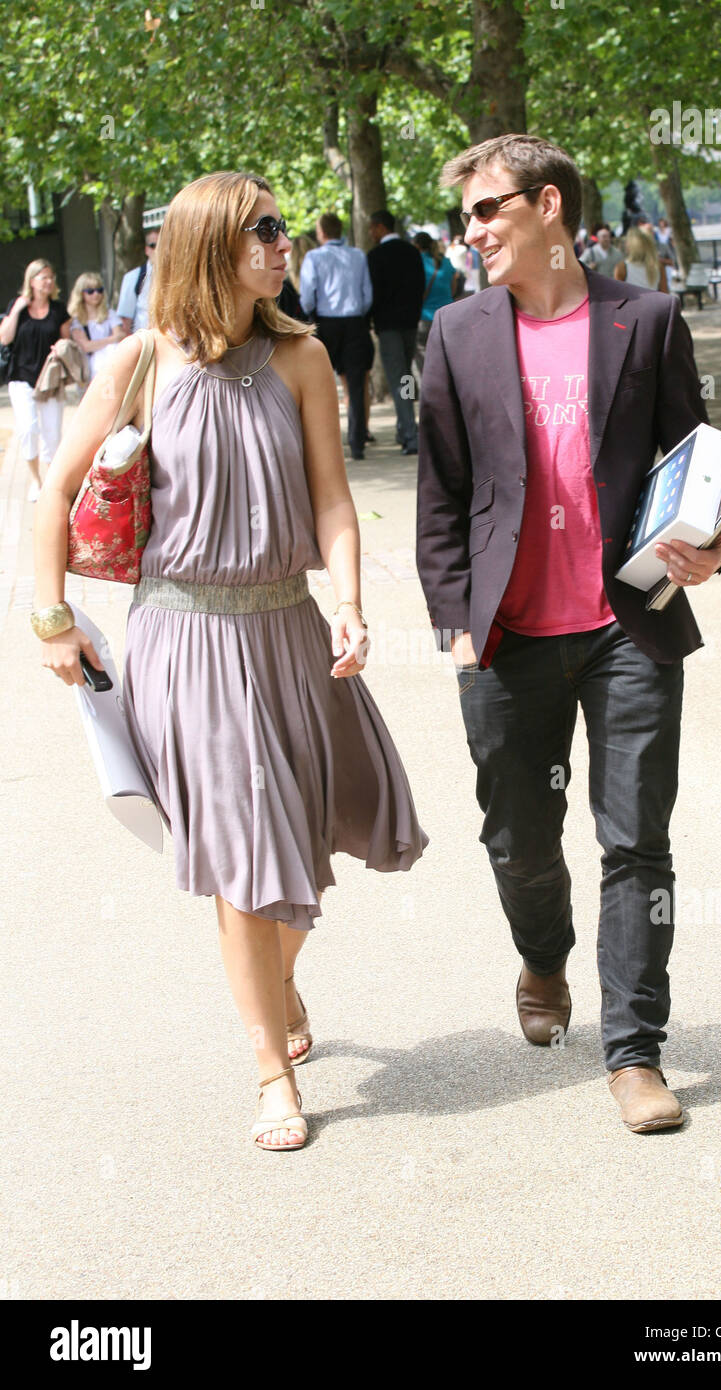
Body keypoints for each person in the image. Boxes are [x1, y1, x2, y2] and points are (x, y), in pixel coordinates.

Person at [32, 171, 427, 1153]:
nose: (283, 241)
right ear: (214, 245)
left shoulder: (300, 359)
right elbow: (53, 497)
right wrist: (50, 617)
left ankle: (277, 980)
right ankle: (270, 1072)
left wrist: (351, 603)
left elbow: (333, 499)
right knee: (244, 864)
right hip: (183, 639)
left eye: (283, 225)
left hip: (288, 629)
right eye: (264, 229)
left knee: (305, 839)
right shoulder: (133, 364)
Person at [417, 133, 721, 1135]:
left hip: (626, 625)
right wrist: (453, 626)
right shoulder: (457, 333)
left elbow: (696, 459)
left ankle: (635, 1052)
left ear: (547, 206)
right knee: (519, 840)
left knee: (637, 842)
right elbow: (443, 498)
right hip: (506, 636)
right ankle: (545, 957)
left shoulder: (643, 319)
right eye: (465, 217)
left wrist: (712, 547)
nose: (471, 234)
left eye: (486, 211)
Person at [299, 212, 373, 460]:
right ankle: (357, 442)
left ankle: (323, 444)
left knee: (317, 384)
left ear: (321, 232)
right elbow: (367, 296)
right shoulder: (358, 255)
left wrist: (310, 314)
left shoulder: (314, 257)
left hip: (326, 322)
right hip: (354, 322)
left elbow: (307, 294)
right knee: (355, 383)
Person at [1, 258, 71, 500]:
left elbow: (66, 341)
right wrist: (18, 309)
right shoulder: (16, 306)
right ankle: (35, 480)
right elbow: (4, 338)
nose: (49, 281)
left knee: (52, 434)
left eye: (51, 277)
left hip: (49, 380)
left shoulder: (59, 309)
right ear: (31, 281)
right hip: (21, 378)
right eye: (44, 277)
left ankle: (52, 484)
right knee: (28, 428)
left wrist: (61, 347)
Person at [367, 210, 426, 455]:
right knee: (406, 377)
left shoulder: (375, 256)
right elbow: (420, 285)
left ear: (380, 227)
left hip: (389, 325)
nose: (370, 233)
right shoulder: (412, 252)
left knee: (399, 378)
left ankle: (411, 433)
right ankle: (406, 427)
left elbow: (372, 292)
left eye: (372, 228)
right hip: (410, 323)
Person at [412, 232, 459, 374]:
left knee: (425, 357)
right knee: (450, 356)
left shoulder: (416, 262)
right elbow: (453, 287)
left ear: (417, 246)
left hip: (425, 317)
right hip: (449, 316)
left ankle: (430, 389)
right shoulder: (445, 262)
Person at [68, 272, 125, 381]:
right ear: (81, 294)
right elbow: (85, 346)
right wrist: (111, 339)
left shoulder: (110, 313)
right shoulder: (76, 319)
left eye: (99, 290)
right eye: (90, 291)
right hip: (87, 371)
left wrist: (96, 344)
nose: (96, 294)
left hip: (111, 368)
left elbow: (120, 336)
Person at [116, 227, 160, 335]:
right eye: (153, 246)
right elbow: (125, 320)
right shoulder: (133, 277)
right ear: (147, 250)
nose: (158, 249)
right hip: (145, 343)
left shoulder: (178, 277)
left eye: (162, 244)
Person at [614, 226, 668, 292]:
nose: (626, 244)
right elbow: (665, 294)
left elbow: (618, 294)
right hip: (655, 301)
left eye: (627, 241)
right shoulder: (658, 266)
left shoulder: (622, 267)